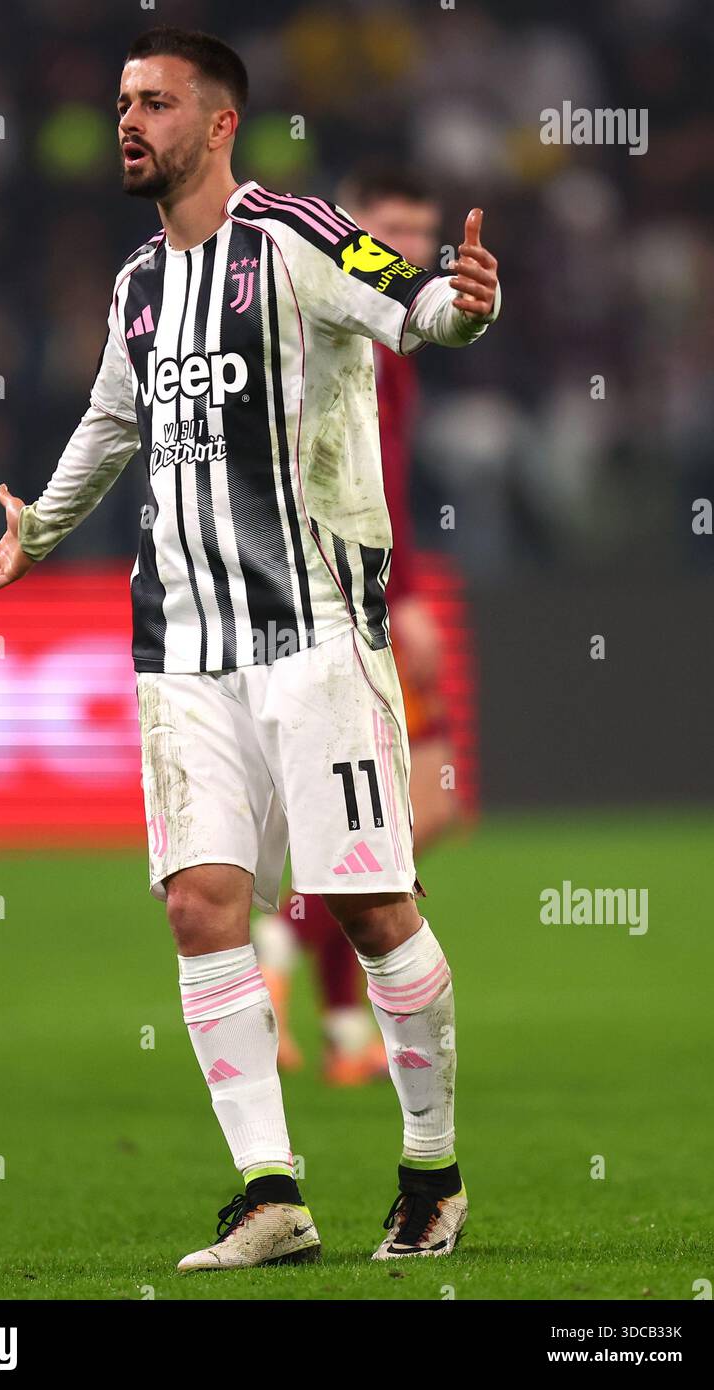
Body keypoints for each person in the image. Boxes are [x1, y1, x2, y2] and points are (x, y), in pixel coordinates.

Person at [0, 25, 501, 1270]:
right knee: (200, 903)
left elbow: (416, 312)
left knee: (369, 906)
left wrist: (467, 305)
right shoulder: (136, 282)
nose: (128, 121)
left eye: (153, 102)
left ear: (217, 123)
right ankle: (271, 1191)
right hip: (181, 650)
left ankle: (432, 1172)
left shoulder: (297, 235)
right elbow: (111, 414)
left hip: (311, 632)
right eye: (120, 101)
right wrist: (42, 526)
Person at [255, 166, 478, 1086]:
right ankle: (286, 947)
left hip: (333, 596)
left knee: (382, 819)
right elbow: (365, 486)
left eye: (423, 237)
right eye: (391, 232)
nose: (411, 253)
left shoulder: (379, 338)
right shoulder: (346, 329)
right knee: (409, 815)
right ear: (346, 231)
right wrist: (410, 594)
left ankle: (343, 1024)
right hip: (356, 602)